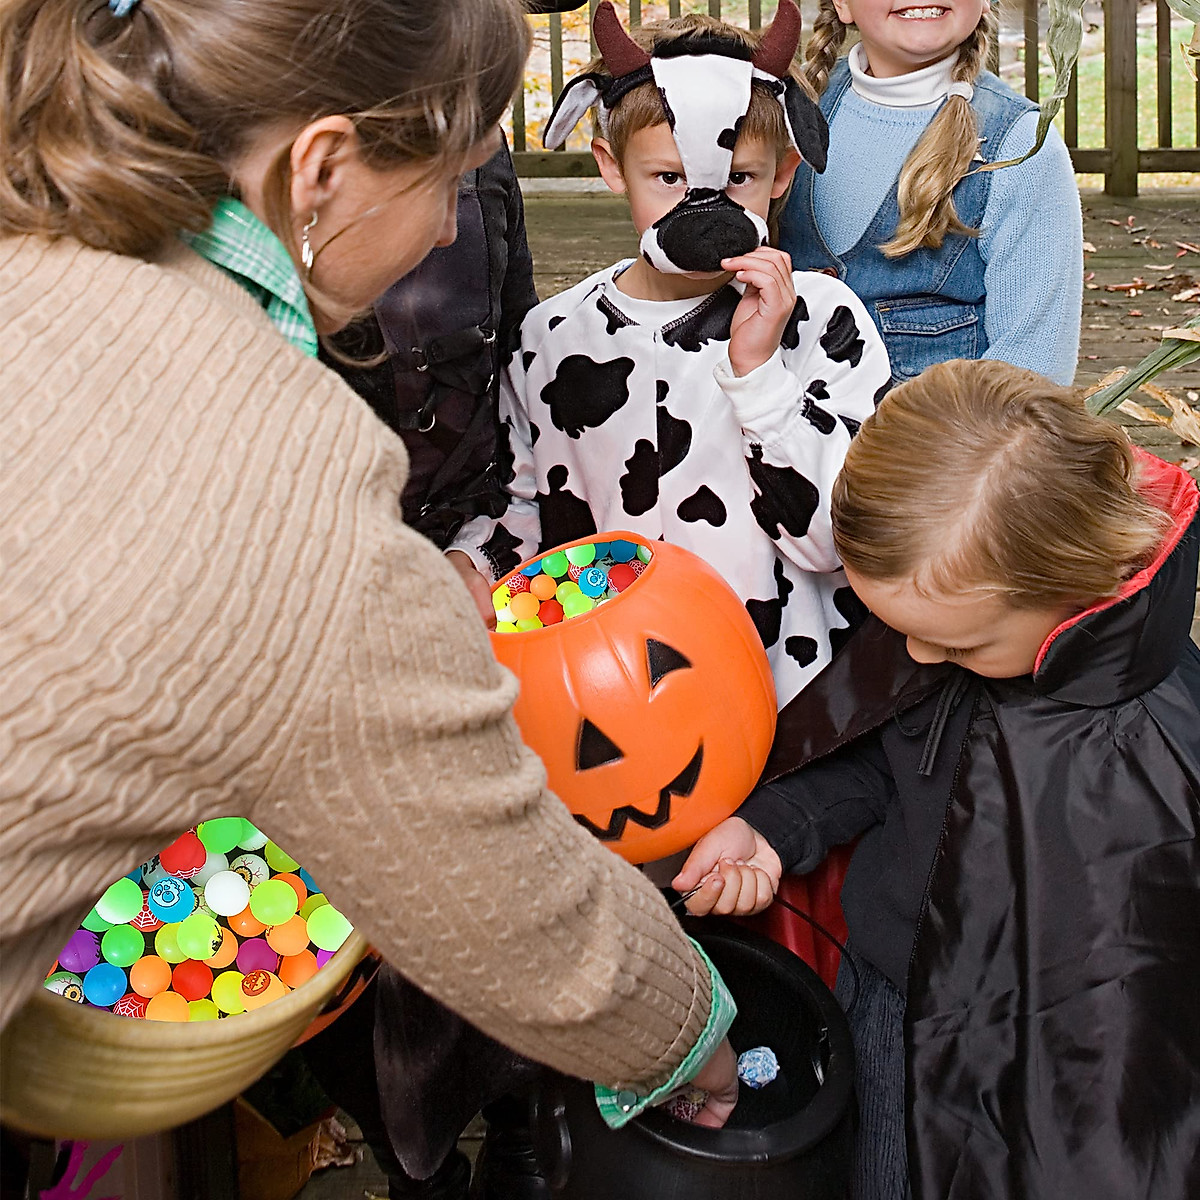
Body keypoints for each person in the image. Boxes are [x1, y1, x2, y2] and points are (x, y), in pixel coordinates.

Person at [0, 0, 740, 1161]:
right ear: (322, 169)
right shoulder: (275, 466)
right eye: (448, 182)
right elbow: (499, 894)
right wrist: (685, 1031)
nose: (451, 229)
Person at [674, 359, 1200, 1198]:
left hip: (1044, 1050)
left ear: (1070, 584)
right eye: (898, 632)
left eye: (954, 646)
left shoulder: (1144, 746)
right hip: (887, 997)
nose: (918, 656)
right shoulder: (961, 612)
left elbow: (1129, 1007)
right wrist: (775, 826)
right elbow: (878, 754)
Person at [448, 2, 892, 710]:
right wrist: (473, 560)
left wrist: (760, 376)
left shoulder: (821, 321)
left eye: (739, 179)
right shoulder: (549, 339)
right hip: (616, 698)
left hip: (790, 692)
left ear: (782, 173)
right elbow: (527, 508)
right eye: (669, 179)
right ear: (611, 166)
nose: (703, 210)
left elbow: (838, 541)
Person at [780, 0, 1083, 386]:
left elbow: (1033, 369)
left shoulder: (1019, 146)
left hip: (940, 425)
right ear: (842, 3)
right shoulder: (787, 108)